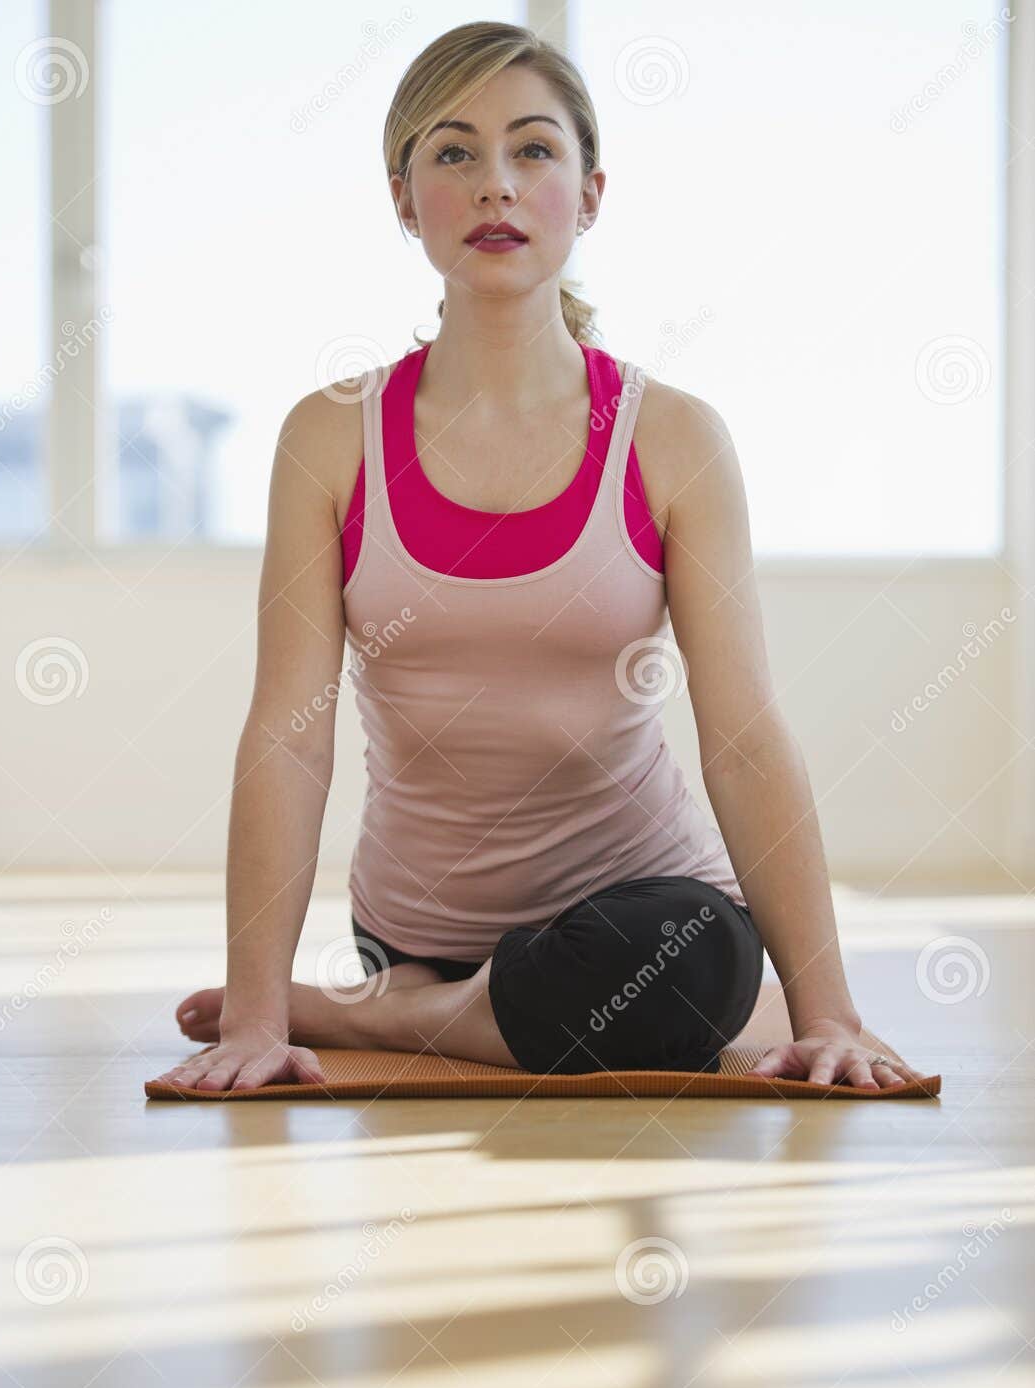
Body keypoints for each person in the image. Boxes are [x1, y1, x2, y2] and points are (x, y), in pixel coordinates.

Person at [152, 22, 925, 1095]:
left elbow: (743, 736)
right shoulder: (330, 437)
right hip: (424, 927)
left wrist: (831, 1014)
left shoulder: (674, 437)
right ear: (402, 196)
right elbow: (290, 734)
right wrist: (253, 1011)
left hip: (641, 913)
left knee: (698, 960)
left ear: (592, 192)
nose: (496, 188)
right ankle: (440, 1000)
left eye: (533, 151)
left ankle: (397, 1019)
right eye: (454, 153)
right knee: (655, 1011)